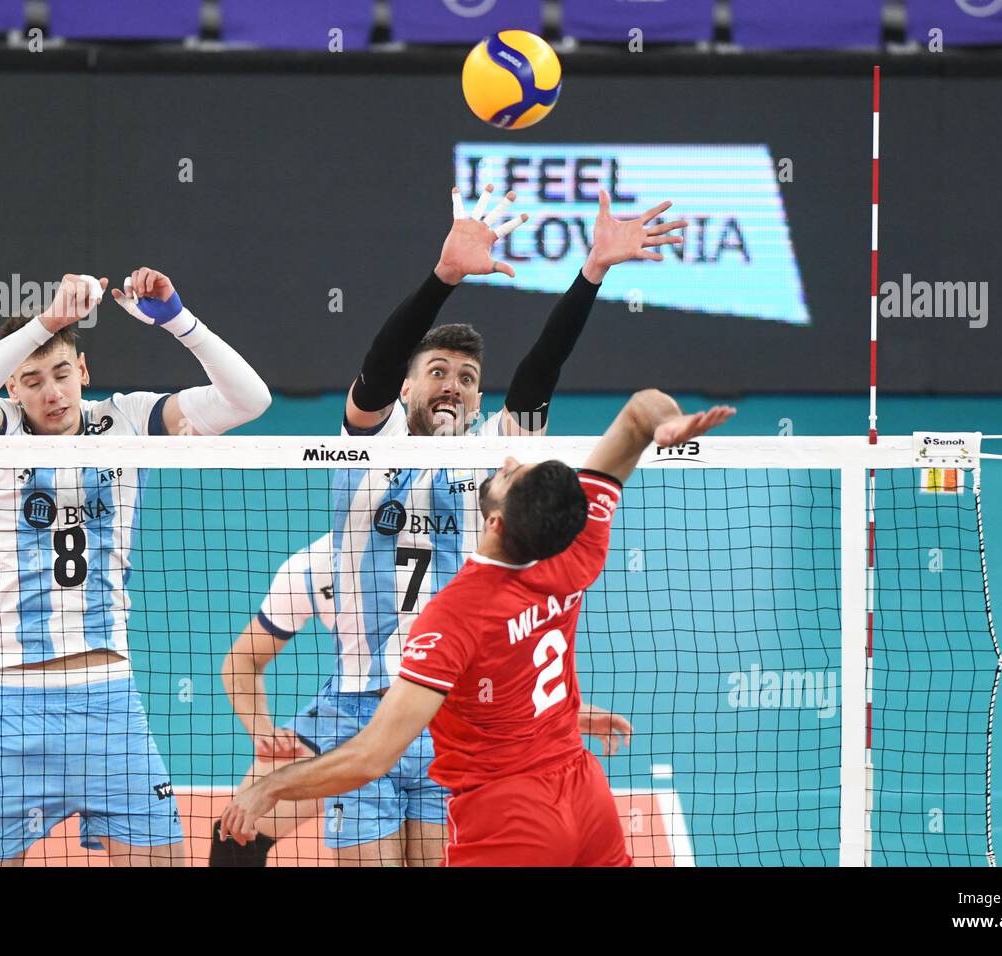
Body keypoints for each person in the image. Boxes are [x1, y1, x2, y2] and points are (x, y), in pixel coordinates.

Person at [221, 183, 685, 867]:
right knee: (250, 831)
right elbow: (376, 373)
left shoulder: (494, 462)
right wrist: (440, 281)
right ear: (408, 389)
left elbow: (536, 378)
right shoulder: (363, 455)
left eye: (468, 378)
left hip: (453, 718)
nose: (453, 385)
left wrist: (591, 275)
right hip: (365, 708)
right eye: (437, 372)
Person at [219, 389, 735, 865]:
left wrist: (272, 787)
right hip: (587, 796)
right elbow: (642, 410)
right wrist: (666, 425)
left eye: (511, 474)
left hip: (509, 819)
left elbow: (372, 756)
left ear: (494, 522)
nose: (507, 459)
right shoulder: (575, 552)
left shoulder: (452, 617)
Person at [0, 269, 271, 865]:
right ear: (12, 389)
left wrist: (178, 321)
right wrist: (49, 323)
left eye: (62, 373)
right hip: (6, 709)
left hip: (108, 705)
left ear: (83, 372)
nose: (52, 393)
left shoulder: (129, 419)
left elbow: (251, 400)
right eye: (32, 381)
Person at [211, 535, 633, 866]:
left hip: (441, 726)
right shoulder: (322, 561)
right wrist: (262, 730)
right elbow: (243, 659)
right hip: (347, 719)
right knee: (233, 837)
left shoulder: (471, 562)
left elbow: (505, 661)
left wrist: (564, 712)